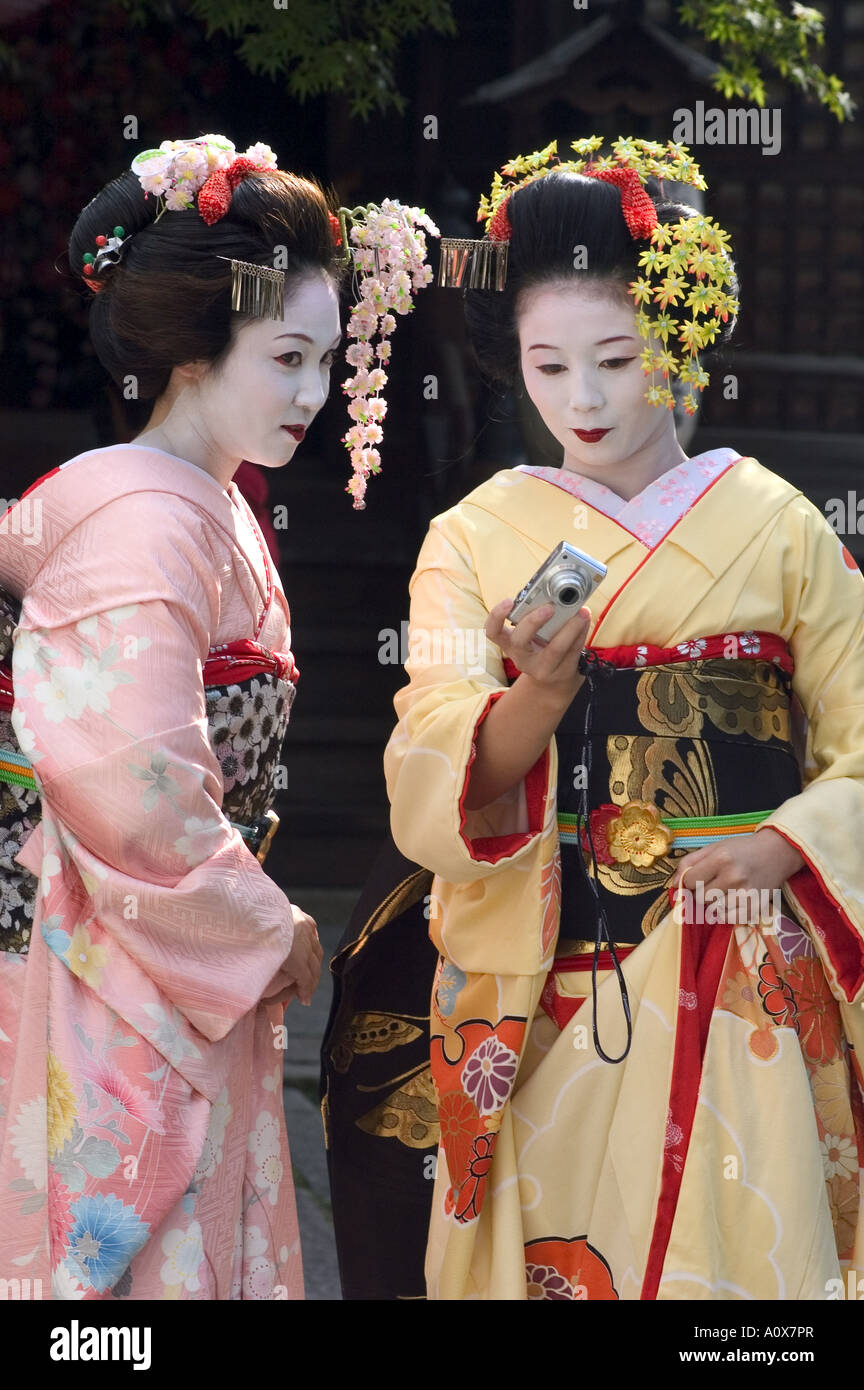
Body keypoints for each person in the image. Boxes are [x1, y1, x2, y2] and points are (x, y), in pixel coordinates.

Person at [380, 137, 864, 1300]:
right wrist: (538, 694)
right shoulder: (470, 536)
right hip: (551, 987)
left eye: (617, 358)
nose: (584, 400)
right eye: (548, 366)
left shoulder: (781, 525)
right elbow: (431, 760)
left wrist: (784, 846)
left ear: (681, 338)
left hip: (745, 967)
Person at [0, 132, 431, 1300]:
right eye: (285, 358)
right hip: (118, 958)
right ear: (194, 351)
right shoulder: (144, 525)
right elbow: (133, 785)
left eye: (328, 362)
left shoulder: (204, 506)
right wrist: (261, 926)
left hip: (161, 957)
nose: (312, 394)